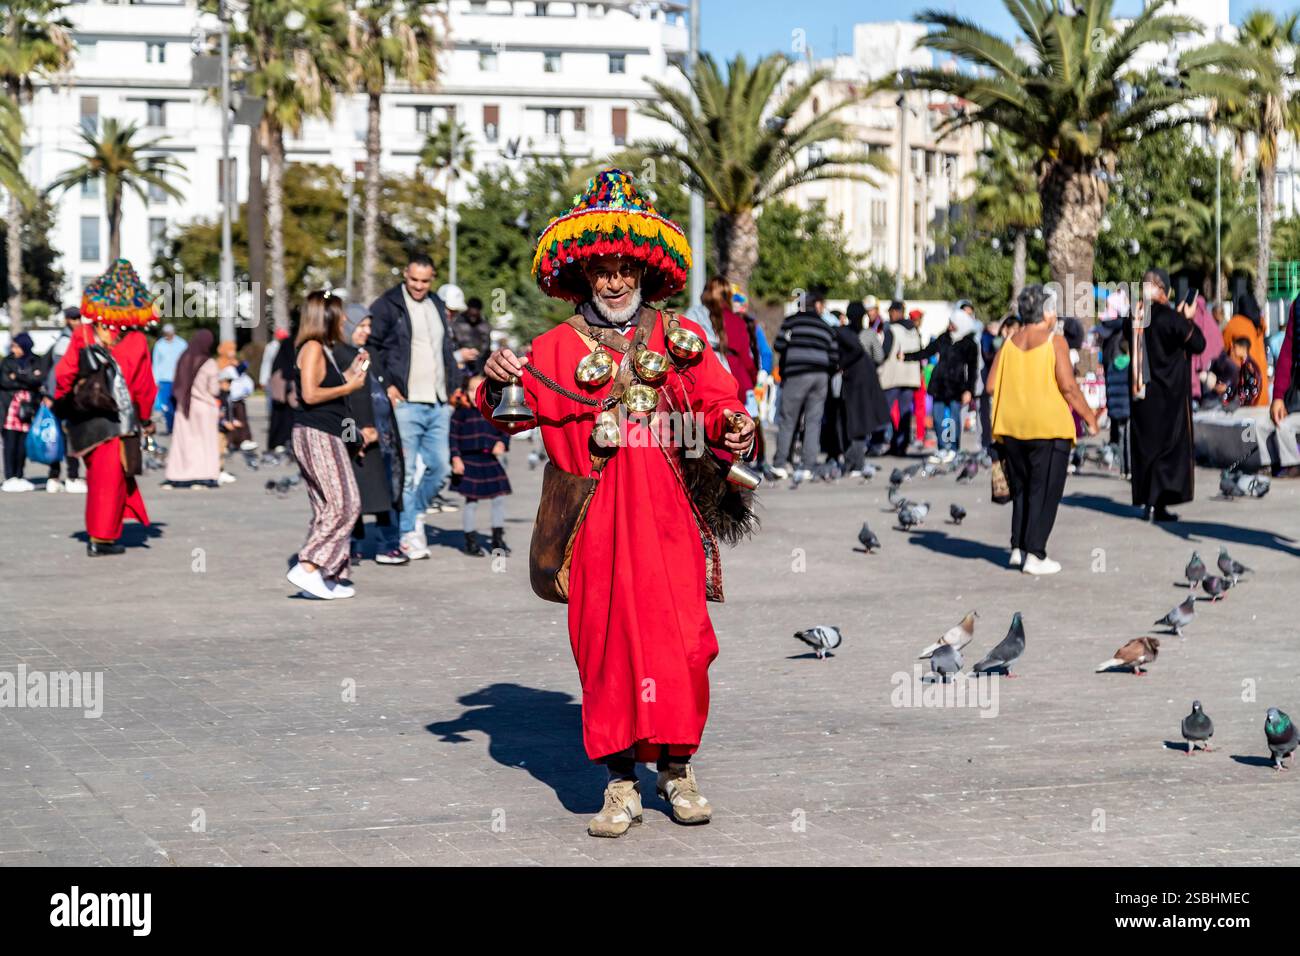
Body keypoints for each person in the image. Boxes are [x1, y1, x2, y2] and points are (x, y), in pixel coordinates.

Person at [478, 168, 754, 839]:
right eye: (600, 268)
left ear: (644, 270)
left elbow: (720, 406)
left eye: (624, 266)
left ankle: (678, 771)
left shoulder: (677, 338)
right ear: (580, 275)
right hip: (594, 526)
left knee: (686, 647)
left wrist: (736, 426)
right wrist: (492, 384)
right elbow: (507, 418)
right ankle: (622, 782)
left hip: (671, 522)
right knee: (606, 653)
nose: (613, 280)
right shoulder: (552, 347)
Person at [367, 253, 477, 560]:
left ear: (432, 279)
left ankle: (413, 517)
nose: (418, 286)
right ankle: (404, 534)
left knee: (441, 468)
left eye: (425, 281)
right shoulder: (388, 304)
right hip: (405, 402)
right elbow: (370, 345)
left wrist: (454, 385)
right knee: (404, 473)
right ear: (405, 274)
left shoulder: (437, 305)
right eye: (413, 279)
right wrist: (386, 383)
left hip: (439, 401)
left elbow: (446, 348)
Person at [987, 285, 1099, 575]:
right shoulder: (1054, 341)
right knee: (1046, 491)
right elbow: (1068, 386)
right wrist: (1089, 416)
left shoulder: (1010, 342)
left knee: (1023, 489)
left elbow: (989, 385)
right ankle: (1036, 553)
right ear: (1048, 313)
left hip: (1012, 428)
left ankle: (1018, 548)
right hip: (1048, 429)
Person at [53, 260, 158, 556]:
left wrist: (64, 402)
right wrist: (146, 418)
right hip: (118, 420)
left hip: (84, 417)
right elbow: (144, 387)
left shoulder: (83, 334)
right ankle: (102, 538)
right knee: (111, 479)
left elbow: (64, 374)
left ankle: (102, 532)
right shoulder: (136, 340)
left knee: (97, 476)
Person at [286, 292, 368, 599]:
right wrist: (350, 386)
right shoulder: (312, 347)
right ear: (326, 317)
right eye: (340, 313)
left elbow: (325, 386)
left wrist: (350, 374)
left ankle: (324, 575)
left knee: (326, 507)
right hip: (317, 433)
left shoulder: (323, 350)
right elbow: (308, 394)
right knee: (345, 503)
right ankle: (308, 565)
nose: (345, 319)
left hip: (324, 432)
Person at [1128, 268, 1206, 522]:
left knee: (1146, 449)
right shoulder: (1171, 319)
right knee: (1168, 450)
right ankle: (1158, 501)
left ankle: (1150, 504)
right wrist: (1188, 318)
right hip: (1169, 398)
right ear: (1164, 290)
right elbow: (1198, 344)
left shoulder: (1135, 316)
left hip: (1141, 395)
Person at [335, 305, 407, 566]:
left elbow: (383, 383)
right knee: (357, 491)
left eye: (368, 326)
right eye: (361, 326)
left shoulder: (371, 353)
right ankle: (352, 543)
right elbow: (340, 398)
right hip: (358, 434)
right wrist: (354, 433)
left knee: (389, 489)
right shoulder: (339, 354)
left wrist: (390, 388)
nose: (366, 331)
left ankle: (389, 544)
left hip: (385, 433)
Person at [773, 287, 838, 480]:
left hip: (796, 375)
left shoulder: (792, 321)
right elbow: (834, 356)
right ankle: (808, 465)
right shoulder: (827, 327)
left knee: (788, 419)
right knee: (813, 421)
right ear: (817, 306)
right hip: (820, 376)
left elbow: (778, 345)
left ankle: (781, 463)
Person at [903, 306, 980, 463]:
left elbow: (972, 369)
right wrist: (907, 356)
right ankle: (942, 447)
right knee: (938, 418)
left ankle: (952, 448)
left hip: (957, 386)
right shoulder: (943, 338)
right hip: (939, 384)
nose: (950, 325)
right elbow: (926, 352)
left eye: (953, 323)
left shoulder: (969, 344)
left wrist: (969, 390)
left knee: (952, 419)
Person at [450, 374, 511, 556]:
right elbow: (452, 438)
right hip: (469, 461)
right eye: (471, 390)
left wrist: (503, 443)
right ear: (464, 392)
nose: (474, 394)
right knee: (471, 502)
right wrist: (455, 458)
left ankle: (497, 539)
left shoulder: (494, 410)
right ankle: (470, 541)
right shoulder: (460, 413)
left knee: (499, 498)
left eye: (479, 389)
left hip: (489, 460)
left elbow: (506, 428)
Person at [163, 330, 223, 490]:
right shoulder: (209, 363)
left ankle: (179, 474)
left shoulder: (183, 358)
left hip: (184, 407)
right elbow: (214, 389)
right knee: (205, 443)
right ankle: (203, 475)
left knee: (183, 443)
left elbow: (176, 385)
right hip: (205, 407)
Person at [838, 301, 890, 475]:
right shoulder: (868, 334)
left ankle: (850, 461)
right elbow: (880, 357)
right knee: (862, 423)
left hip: (848, 381)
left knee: (849, 421)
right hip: (867, 381)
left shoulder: (842, 333)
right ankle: (857, 463)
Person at [41, 308, 86, 493]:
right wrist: (52, 395)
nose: (76, 321)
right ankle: (68, 477)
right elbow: (57, 373)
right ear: (68, 320)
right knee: (65, 438)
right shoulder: (66, 342)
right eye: (73, 318)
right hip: (62, 397)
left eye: (78, 318)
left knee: (59, 437)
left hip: (61, 396)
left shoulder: (67, 339)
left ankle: (57, 477)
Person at [876, 299, 923, 455]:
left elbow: (884, 353)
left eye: (891, 312)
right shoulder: (914, 330)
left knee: (885, 410)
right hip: (910, 377)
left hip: (893, 377)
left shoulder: (892, 329)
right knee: (904, 414)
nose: (890, 315)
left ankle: (881, 442)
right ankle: (901, 446)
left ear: (896, 312)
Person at [1, 332, 45, 491]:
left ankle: (20, 475)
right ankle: (10, 476)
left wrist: (17, 378)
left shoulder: (36, 361)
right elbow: (5, 382)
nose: (14, 349)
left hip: (29, 408)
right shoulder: (8, 362)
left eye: (17, 346)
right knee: (10, 444)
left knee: (22, 445)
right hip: (10, 409)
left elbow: (38, 381)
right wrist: (27, 379)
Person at [1222, 290, 1269, 408]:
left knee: (1245, 426)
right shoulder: (1259, 325)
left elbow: (1222, 350)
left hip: (1244, 394)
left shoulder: (1234, 325)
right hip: (1262, 393)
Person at [151, 323, 187, 433]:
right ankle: (170, 427)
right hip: (164, 380)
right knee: (166, 405)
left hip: (179, 379)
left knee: (179, 404)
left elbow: (186, 362)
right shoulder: (159, 345)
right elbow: (156, 363)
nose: (168, 336)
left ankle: (180, 427)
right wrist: (155, 380)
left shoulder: (182, 344)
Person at [264, 327, 295, 452]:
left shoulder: (280, 355)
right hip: (284, 395)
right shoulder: (274, 348)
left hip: (281, 395)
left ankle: (280, 442)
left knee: (280, 418)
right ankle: (283, 441)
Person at [451, 293, 491, 378]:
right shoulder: (458, 322)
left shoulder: (484, 325)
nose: (473, 316)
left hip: (479, 365)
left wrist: (479, 355)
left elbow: (486, 346)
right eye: (471, 313)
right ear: (468, 309)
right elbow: (453, 342)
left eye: (475, 314)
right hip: (460, 363)